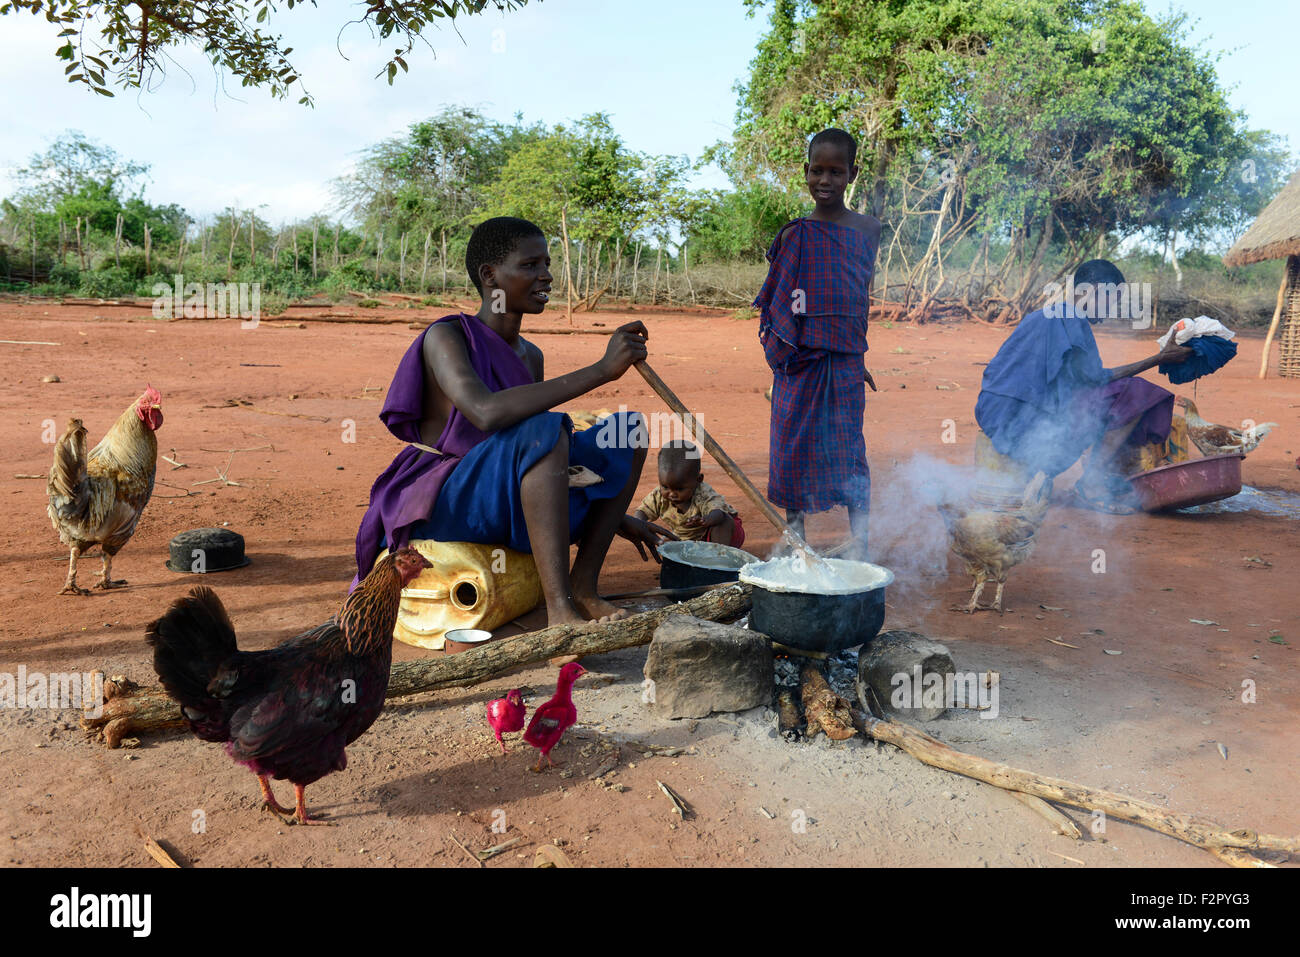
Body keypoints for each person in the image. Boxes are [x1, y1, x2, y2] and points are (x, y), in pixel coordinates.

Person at [352, 216, 671, 626]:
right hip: (449, 500)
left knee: (626, 429)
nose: (547, 276)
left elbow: (536, 458)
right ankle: (560, 614)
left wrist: (610, 512)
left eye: (547, 264)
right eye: (530, 265)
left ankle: (583, 588)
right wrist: (601, 371)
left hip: (506, 498)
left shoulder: (531, 355)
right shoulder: (447, 337)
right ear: (489, 275)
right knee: (546, 428)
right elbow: (485, 413)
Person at [974, 259, 1193, 511]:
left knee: (1101, 397)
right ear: (1095, 290)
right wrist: (1159, 358)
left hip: (992, 412)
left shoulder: (1044, 315)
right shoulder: (1072, 319)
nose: (1112, 310)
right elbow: (1096, 379)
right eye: (1112, 300)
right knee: (1135, 392)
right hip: (1020, 423)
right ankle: (1091, 485)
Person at [754, 128, 881, 559]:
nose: (824, 180)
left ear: (852, 174)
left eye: (835, 171)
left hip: (845, 361)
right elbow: (777, 307)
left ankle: (860, 545)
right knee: (792, 447)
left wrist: (855, 354)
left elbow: (857, 297)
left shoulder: (868, 229)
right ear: (805, 172)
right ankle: (798, 543)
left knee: (849, 450)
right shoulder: (795, 235)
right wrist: (788, 352)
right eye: (816, 170)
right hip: (799, 363)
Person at [634, 441, 745, 548]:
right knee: (667, 544)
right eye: (665, 487)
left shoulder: (703, 493)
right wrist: (639, 524)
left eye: (680, 489)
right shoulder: (659, 495)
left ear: (698, 480)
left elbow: (718, 513)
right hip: (691, 539)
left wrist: (705, 520)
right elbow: (642, 511)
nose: (672, 494)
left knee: (723, 521)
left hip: (724, 535)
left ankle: (719, 560)